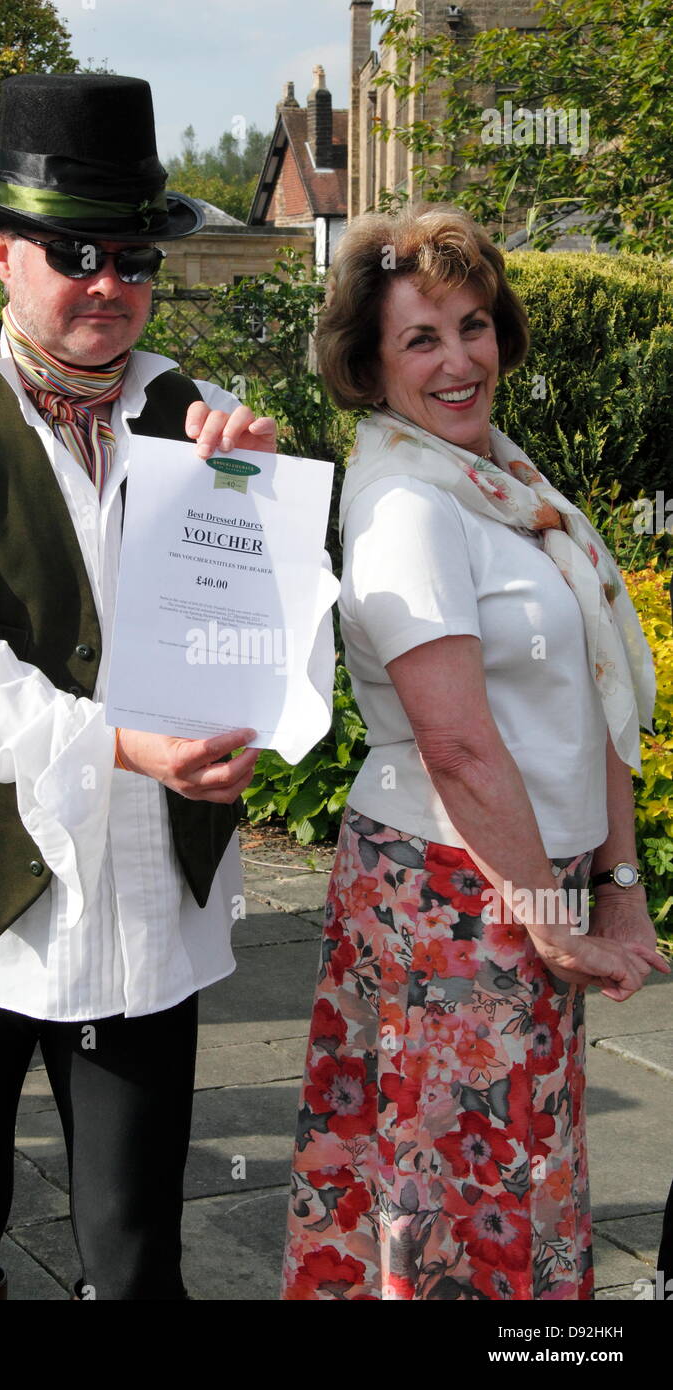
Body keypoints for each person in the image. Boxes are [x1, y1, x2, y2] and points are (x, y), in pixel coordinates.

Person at [0, 73, 333, 1302]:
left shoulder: (209, 423)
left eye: (132, 254)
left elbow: (286, 652)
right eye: (74, 251)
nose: (107, 281)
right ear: (6, 256)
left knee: (134, 1263)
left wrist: (268, 520)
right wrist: (132, 747)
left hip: (139, 919)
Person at [280, 205, 668, 1301]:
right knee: (458, 1197)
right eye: (420, 339)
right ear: (366, 366)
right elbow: (453, 741)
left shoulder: (504, 485)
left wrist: (617, 890)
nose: (458, 360)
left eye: (473, 324)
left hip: (517, 886)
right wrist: (551, 917)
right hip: (449, 897)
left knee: (508, 1174)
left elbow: (587, 697)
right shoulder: (407, 503)